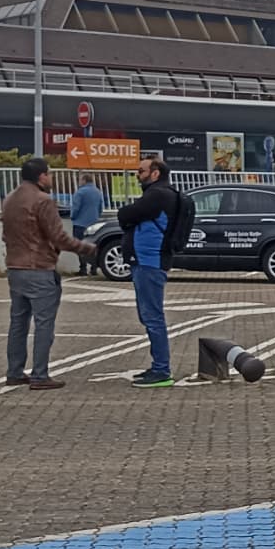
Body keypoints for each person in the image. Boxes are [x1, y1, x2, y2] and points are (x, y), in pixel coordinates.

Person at [2, 157, 96, 390]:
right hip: (39, 268)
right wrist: (86, 248)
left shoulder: (10, 199)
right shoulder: (42, 200)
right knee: (44, 324)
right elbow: (58, 237)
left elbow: (6, 234)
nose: (51, 178)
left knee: (18, 322)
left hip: (15, 268)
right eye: (50, 174)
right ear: (41, 176)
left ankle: (14, 371)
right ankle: (40, 375)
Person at [118, 154, 183, 388]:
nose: (138, 175)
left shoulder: (158, 195)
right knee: (149, 316)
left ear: (155, 173)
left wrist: (127, 216)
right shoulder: (165, 194)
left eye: (141, 171)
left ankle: (162, 370)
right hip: (149, 261)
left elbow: (125, 215)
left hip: (149, 262)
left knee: (153, 316)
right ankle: (158, 366)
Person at [70, 174, 105, 276]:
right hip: (94, 224)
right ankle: (94, 268)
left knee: (79, 246)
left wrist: (72, 216)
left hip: (80, 224)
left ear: (84, 180)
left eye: (80, 180)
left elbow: (76, 208)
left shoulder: (80, 192)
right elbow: (100, 208)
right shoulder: (98, 192)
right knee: (93, 246)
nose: (79, 182)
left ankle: (83, 268)